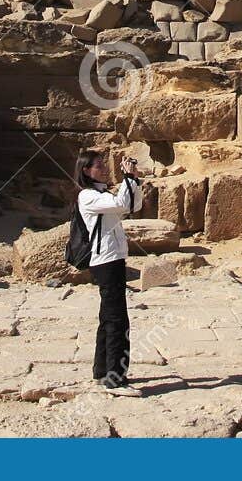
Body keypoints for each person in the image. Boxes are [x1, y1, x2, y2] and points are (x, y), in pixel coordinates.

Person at [74, 149, 144, 396]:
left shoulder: (102, 194)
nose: (104, 168)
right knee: (117, 319)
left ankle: (101, 371)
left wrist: (133, 179)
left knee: (108, 317)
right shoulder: (88, 196)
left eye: (104, 165)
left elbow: (133, 205)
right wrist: (126, 179)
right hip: (105, 260)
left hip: (113, 258)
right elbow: (121, 204)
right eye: (99, 166)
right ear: (86, 170)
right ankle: (115, 379)